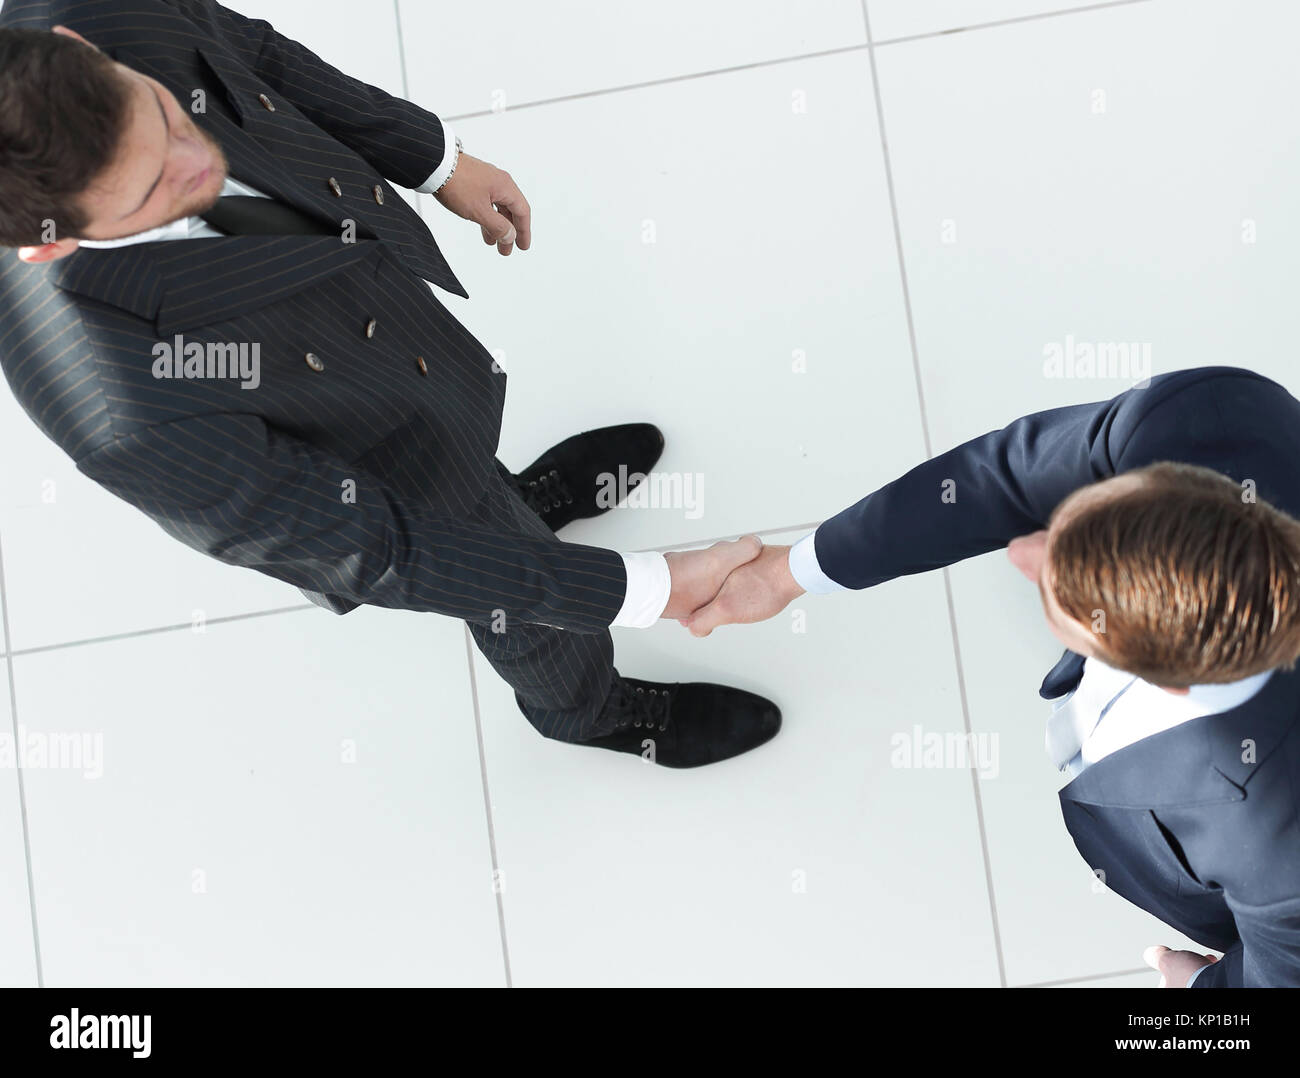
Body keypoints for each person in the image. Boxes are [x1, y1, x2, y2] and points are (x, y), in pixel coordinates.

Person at [0, 0, 780, 768]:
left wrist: (432, 158)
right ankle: (586, 708)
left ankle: (510, 498)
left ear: (78, 42)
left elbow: (252, 54)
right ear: (49, 246)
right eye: (153, 192)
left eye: (168, 116)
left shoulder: (90, 6)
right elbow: (383, 548)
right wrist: (646, 587)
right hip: (376, 473)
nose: (202, 162)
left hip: (380, 328)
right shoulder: (119, 408)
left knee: (475, 467)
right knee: (514, 591)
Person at [682, 365, 1300, 987]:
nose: (1021, 554)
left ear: (1163, 676)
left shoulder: (1280, 851)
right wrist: (789, 573)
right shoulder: (1208, 418)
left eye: (1055, 593)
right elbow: (1000, 478)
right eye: (1065, 528)